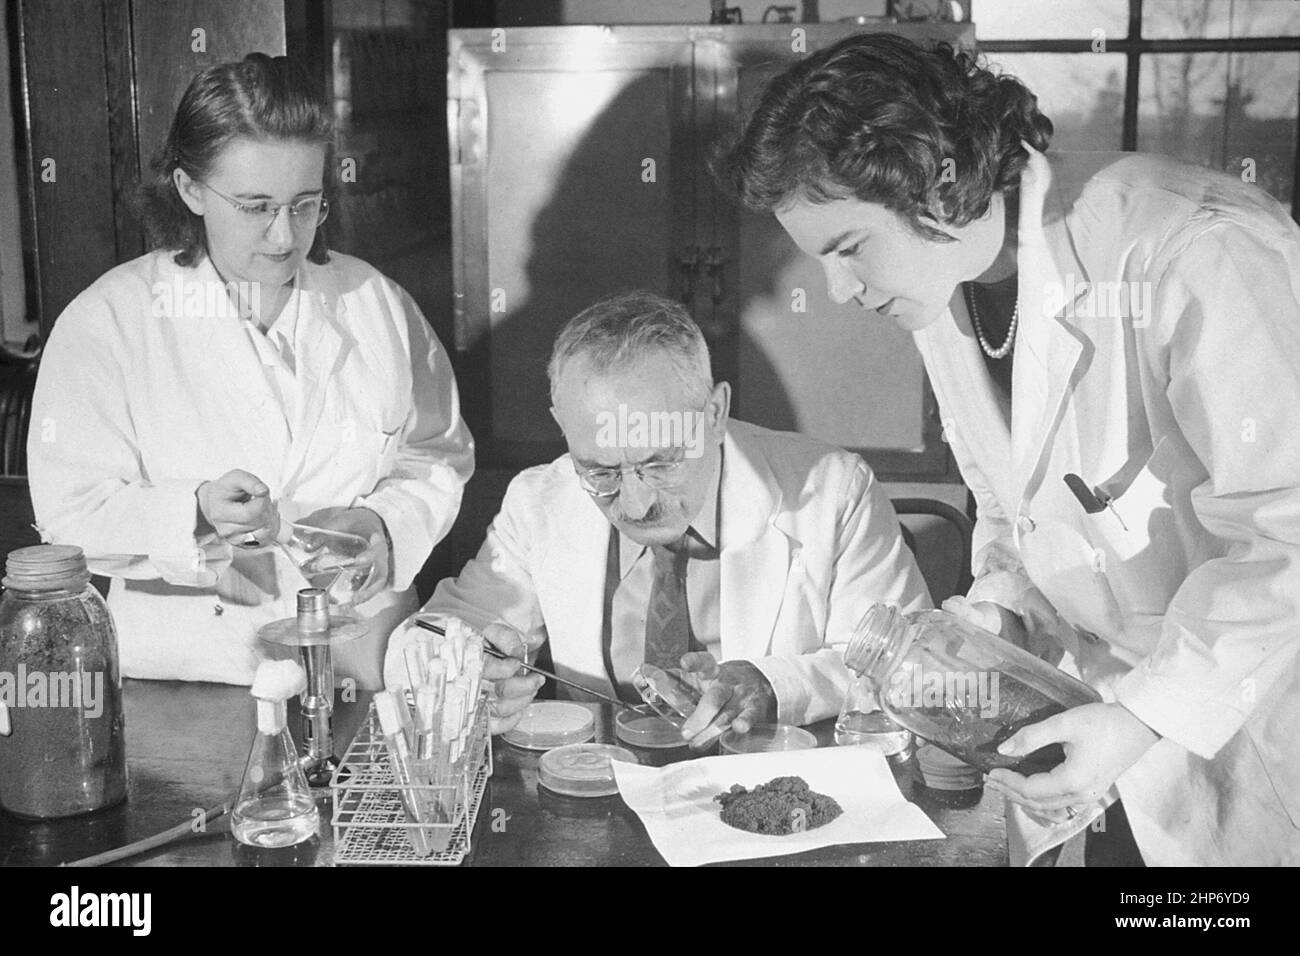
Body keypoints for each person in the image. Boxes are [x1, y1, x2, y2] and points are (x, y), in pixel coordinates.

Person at [715, 32, 1300, 866]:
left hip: (1254, 740)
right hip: (1108, 749)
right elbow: (1018, 509)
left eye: (848, 250)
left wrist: (1141, 717)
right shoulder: (951, 288)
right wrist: (1004, 611)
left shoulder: (1193, 250)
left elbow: (1289, 531)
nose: (841, 291)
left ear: (939, 181)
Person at [28, 54, 474, 688]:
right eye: (255, 205)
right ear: (189, 190)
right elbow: (68, 516)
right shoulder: (111, 321)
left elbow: (437, 453)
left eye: (304, 204)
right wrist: (195, 514)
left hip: (360, 665)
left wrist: (385, 523)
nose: (281, 235)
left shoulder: (374, 302)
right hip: (192, 681)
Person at [384, 290, 930, 745]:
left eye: (661, 462)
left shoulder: (834, 490)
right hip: (602, 791)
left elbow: (911, 671)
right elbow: (435, 632)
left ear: (715, 414)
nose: (637, 504)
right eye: (600, 471)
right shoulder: (538, 501)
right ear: (562, 425)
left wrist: (768, 686)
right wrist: (464, 674)